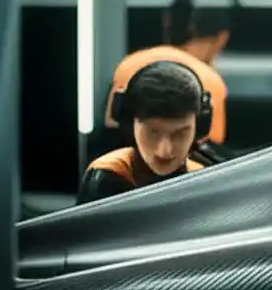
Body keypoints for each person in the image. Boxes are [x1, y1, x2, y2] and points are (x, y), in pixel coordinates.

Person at [103, 0, 231, 147]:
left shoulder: (129, 65)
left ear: (167, 22)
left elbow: (110, 126)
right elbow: (212, 146)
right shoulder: (210, 80)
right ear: (222, 37)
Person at [77, 60, 209, 205]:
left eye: (180, 134)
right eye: (152, 132)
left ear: (199, 127)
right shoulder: (108, 174)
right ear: (129, 123)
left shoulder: (204, 178)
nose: (164, 151)